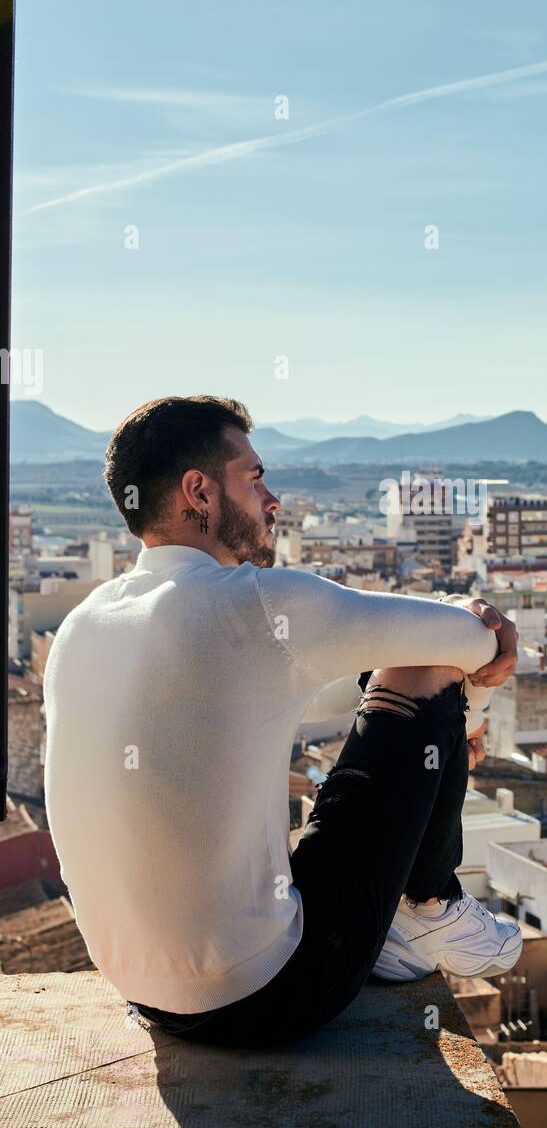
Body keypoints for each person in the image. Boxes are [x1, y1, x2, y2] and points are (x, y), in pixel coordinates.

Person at [43, 395, 522, 1048]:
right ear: (199, 491)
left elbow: (292, 704)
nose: (273, 499)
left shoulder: (81, 625)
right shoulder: (261, 604)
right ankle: (430, 907)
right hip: (275, 994)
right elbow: (471, 646)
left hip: (144, 994)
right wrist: (470, 660)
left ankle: (412, 918)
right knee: (421, 671)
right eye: (256, 475)